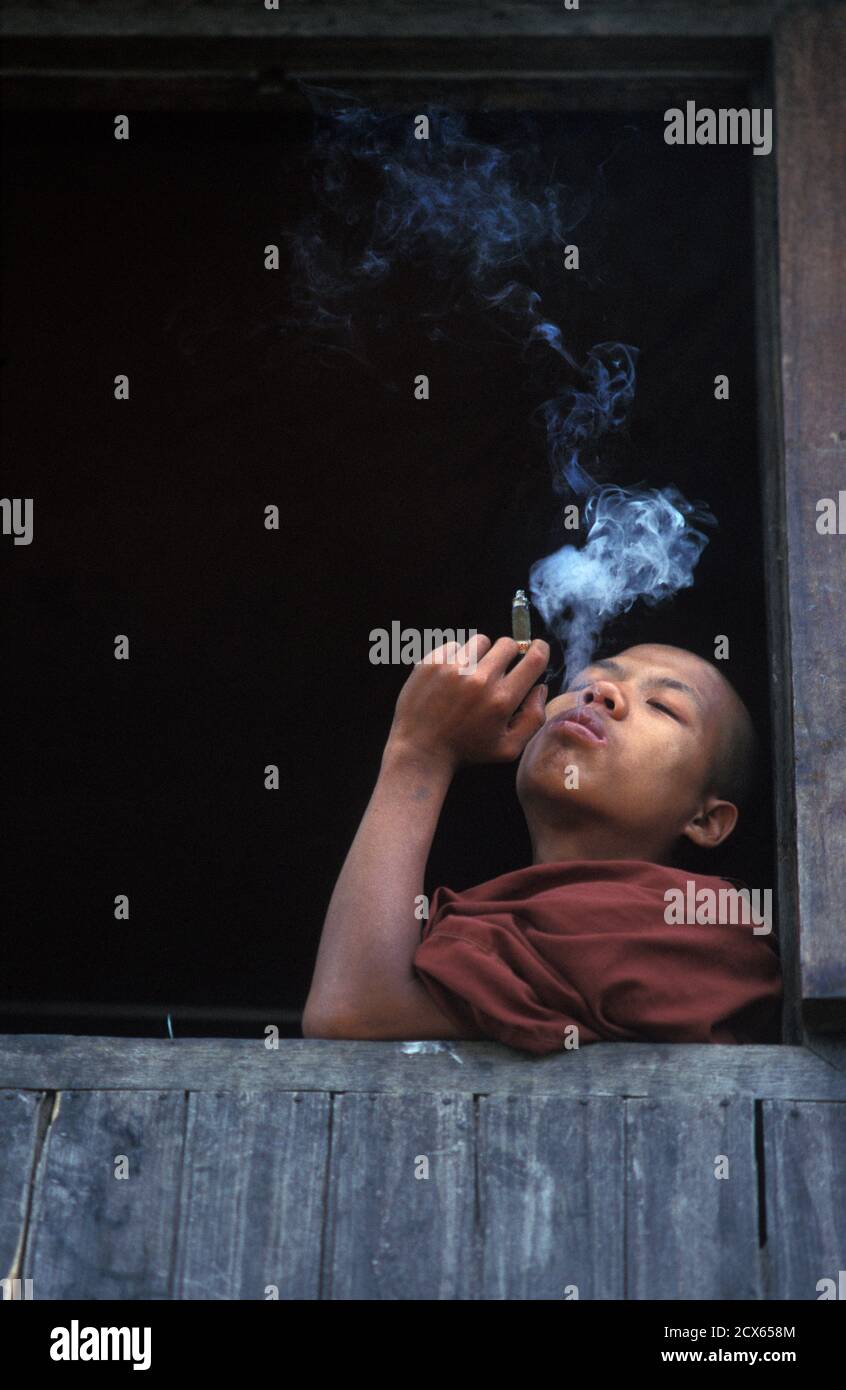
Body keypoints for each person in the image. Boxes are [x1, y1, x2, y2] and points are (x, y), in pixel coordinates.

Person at [302, 635, 782, 1052]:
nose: (600, 693)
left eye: (662, 706)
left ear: (707, 820)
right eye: (581, 685)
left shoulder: (700, 927)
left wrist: (419, 753)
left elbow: (350, 1013)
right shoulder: (492, 924)